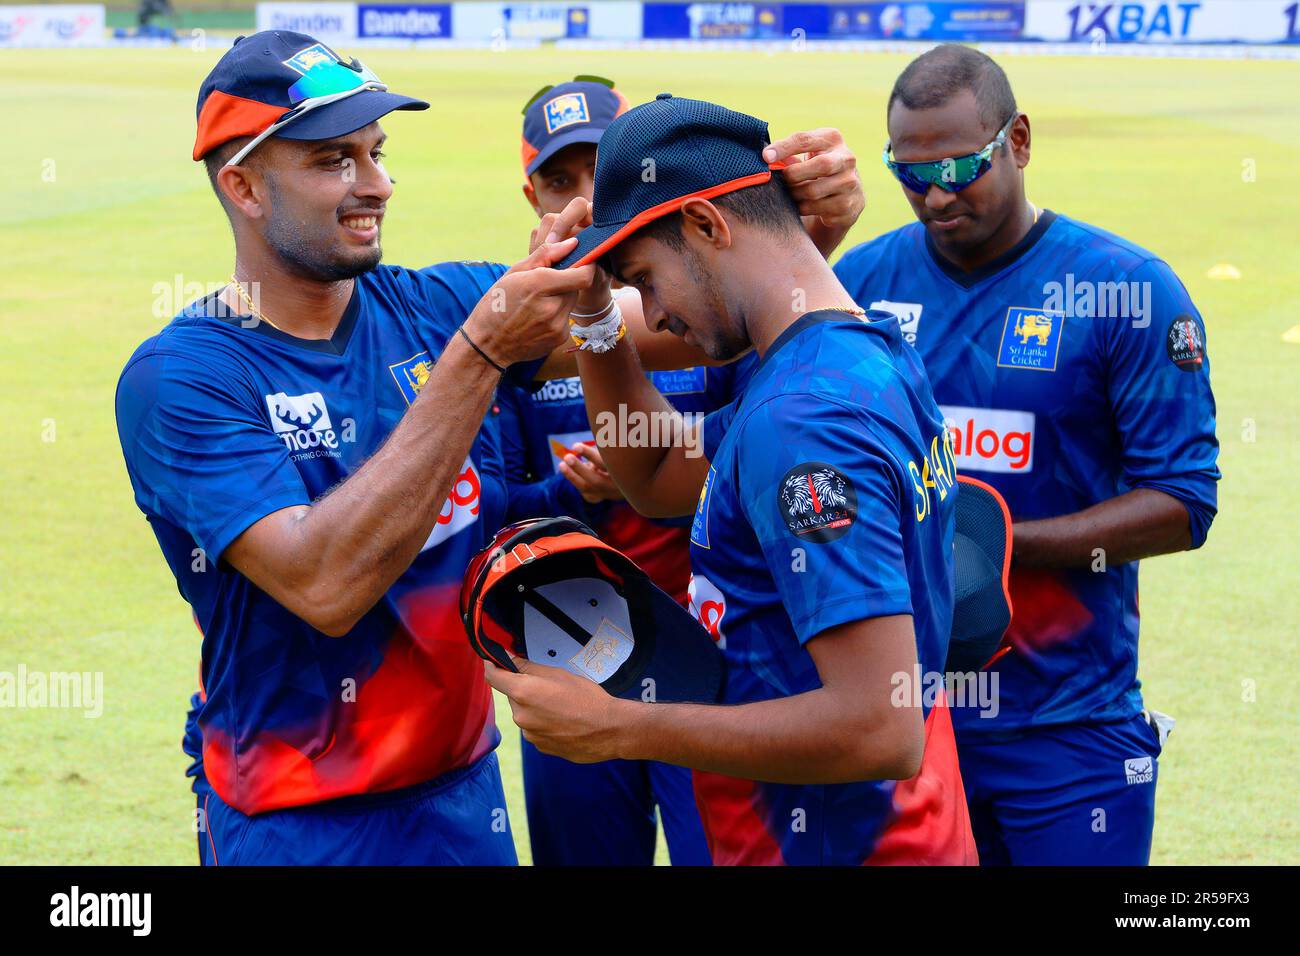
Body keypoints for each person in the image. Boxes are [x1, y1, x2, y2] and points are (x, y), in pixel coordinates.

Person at [116, 31, 594, 865]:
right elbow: (326, 583)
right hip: (298, 819)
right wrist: (480, 355)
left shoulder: (432, 303)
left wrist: (793, 234)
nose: (376, 185)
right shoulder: (183, 378)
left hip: (463, 797)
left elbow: (667, 322)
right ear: (244, 186)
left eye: (376, 153)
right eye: (335, 159)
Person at [486, 93, 977, 866]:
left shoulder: (803, 419)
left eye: (644, 281)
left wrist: (624, 726)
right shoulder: (853, 353)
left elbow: (877, 728)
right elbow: (650, 472)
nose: (655, 317)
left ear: (708, 225)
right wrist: (593, 318)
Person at [832, 44, 1220, 864]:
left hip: (1070, 727)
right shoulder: (858, 288)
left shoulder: (1129, 291)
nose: (936, 194)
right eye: (909, 173)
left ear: (1019, 140)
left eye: (962, 166)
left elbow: (1185, 500)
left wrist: (992, 546)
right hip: (908, 722)